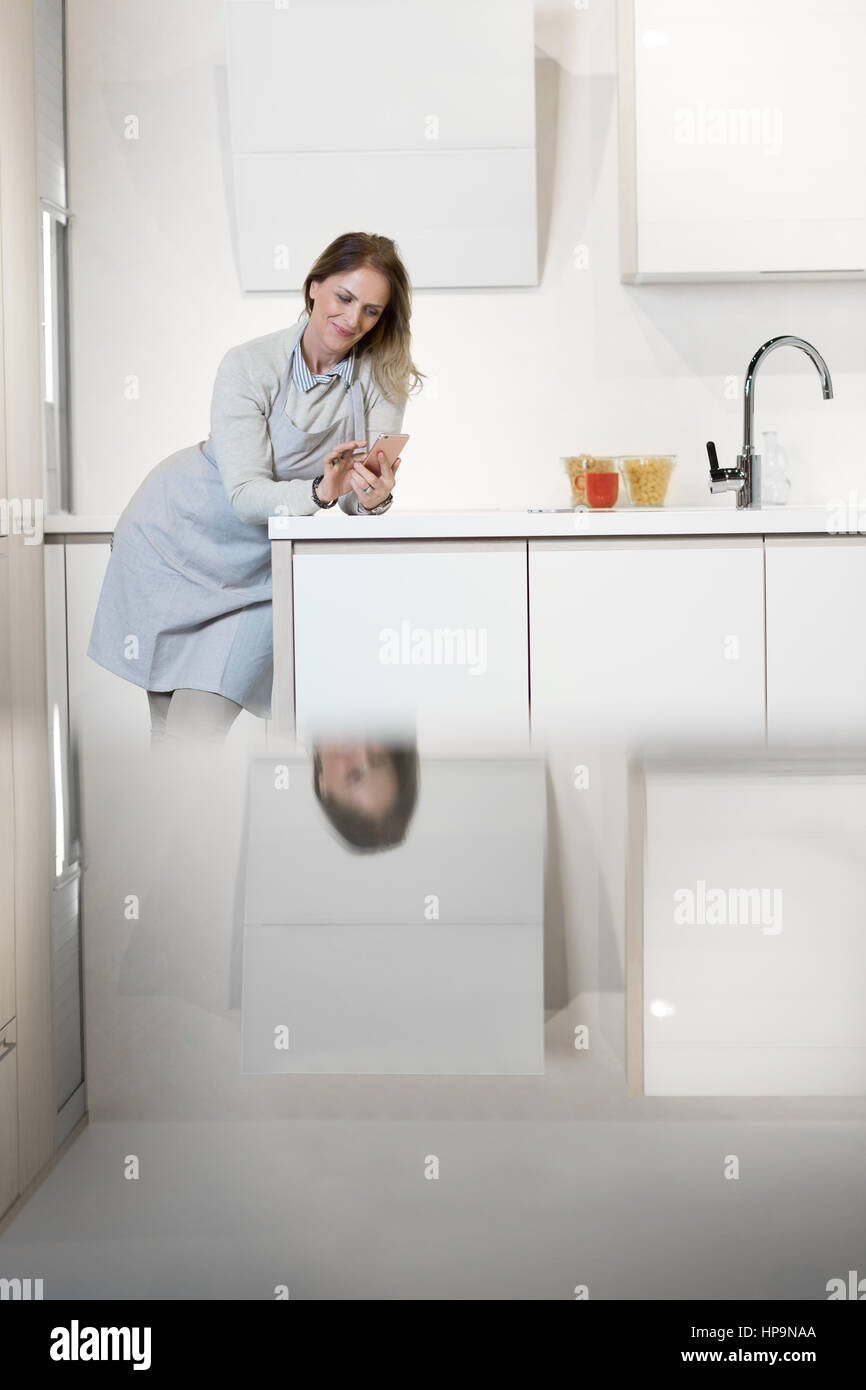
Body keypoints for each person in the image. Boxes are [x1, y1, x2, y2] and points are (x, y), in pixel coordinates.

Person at [87, 232, 423, 747]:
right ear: (314, 287)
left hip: (258, 574)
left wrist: (374, 496)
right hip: (172, 538)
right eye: (344, 298)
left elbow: (358, 496)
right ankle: (167, 831)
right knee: (169, 740)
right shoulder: (249, 365)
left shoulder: (381, 378)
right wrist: (317, 492)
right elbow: (245, 494)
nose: (353, 320)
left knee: (194, 736)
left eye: (373, 311)